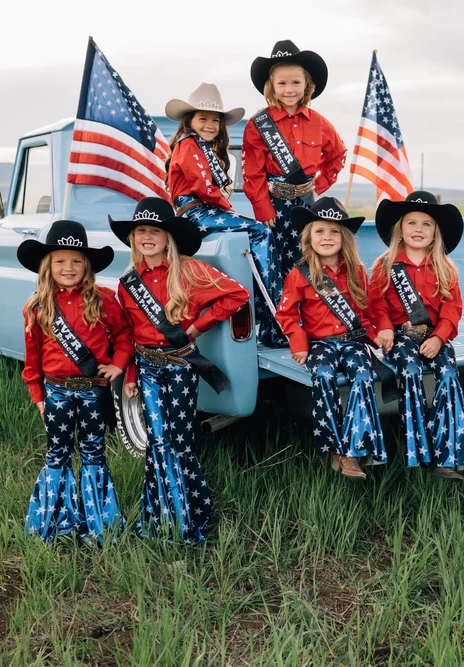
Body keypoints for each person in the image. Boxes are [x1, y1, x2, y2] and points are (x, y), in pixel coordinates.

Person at [109, 198, 249, 543]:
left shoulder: (189, 270)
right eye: (141, 230)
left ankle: (191, 516)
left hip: (182, 365)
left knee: (180, 441)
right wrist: (129, 377)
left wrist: (196, 328)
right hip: (146, 368)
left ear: (167, 236)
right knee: (159, 441)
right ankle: (158, 519)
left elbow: (237, 295)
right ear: (133, 237)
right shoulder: (128, 283)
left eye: (154, 231)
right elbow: (127, 334)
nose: (147, 237)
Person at [17, 219, 131, 545]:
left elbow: (124, 335)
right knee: (57, 455)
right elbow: (32, 360)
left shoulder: (104, 299)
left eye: (77, 261)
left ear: (87, 265)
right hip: (55, 393)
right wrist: (38, 397)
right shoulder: (37, 307)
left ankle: (99, 526)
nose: (69, 267)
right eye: (60, 261)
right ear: (47, 265)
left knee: (94, 454)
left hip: (93, 392)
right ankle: (55, 525)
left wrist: (118, 363)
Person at [274, 197, 391, 480]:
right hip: (320, 344)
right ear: (308, 237)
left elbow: (372, 308)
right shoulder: (299, 274)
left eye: (334, 231)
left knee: (363, 376)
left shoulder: (357, 272)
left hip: (353, 340)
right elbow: (286, 314)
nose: (327, 237)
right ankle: (332, 447)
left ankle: (355, 451)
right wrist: (299, 343)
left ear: (345, 238)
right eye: (320, 231)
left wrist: (379, 332)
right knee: (323, 376)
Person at [165, 82, 284, 346]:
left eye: (215, 121)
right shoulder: (188, 145)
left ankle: (270, 319)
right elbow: (202, 186)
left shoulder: (200, 148)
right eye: (203, 118)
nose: (210, 125)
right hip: (196, 212)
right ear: (189, 121)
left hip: (203, 210)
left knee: (256, 236)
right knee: (262, 233)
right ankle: (274, 322)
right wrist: (227, 207)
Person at [369, 191, 464, 480]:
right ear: (400, 230)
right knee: (412, 372)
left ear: (435, 233)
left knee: (450, 376)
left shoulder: (445, 267)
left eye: (426, 224)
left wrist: (440, 337)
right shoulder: (385, 265)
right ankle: (420, 449)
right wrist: (385, 327)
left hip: (434, 336)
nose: (418, 229)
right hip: (400, 336)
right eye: (412, 223)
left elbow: (452, 308)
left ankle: (447, 454)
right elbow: (375, 303)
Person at [242, 40, 346, 279]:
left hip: (306, 203)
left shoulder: (319, 121)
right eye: (282, 83)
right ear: (271, 86)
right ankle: (279, 312)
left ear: (307, 84)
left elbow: (337, 155)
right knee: (275, 261)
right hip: (274, 204)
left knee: (308, 259)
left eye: (296, 82)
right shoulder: (258, 125)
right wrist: (262, 207)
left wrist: (318, 186)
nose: (290, 89)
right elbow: (253, 172)